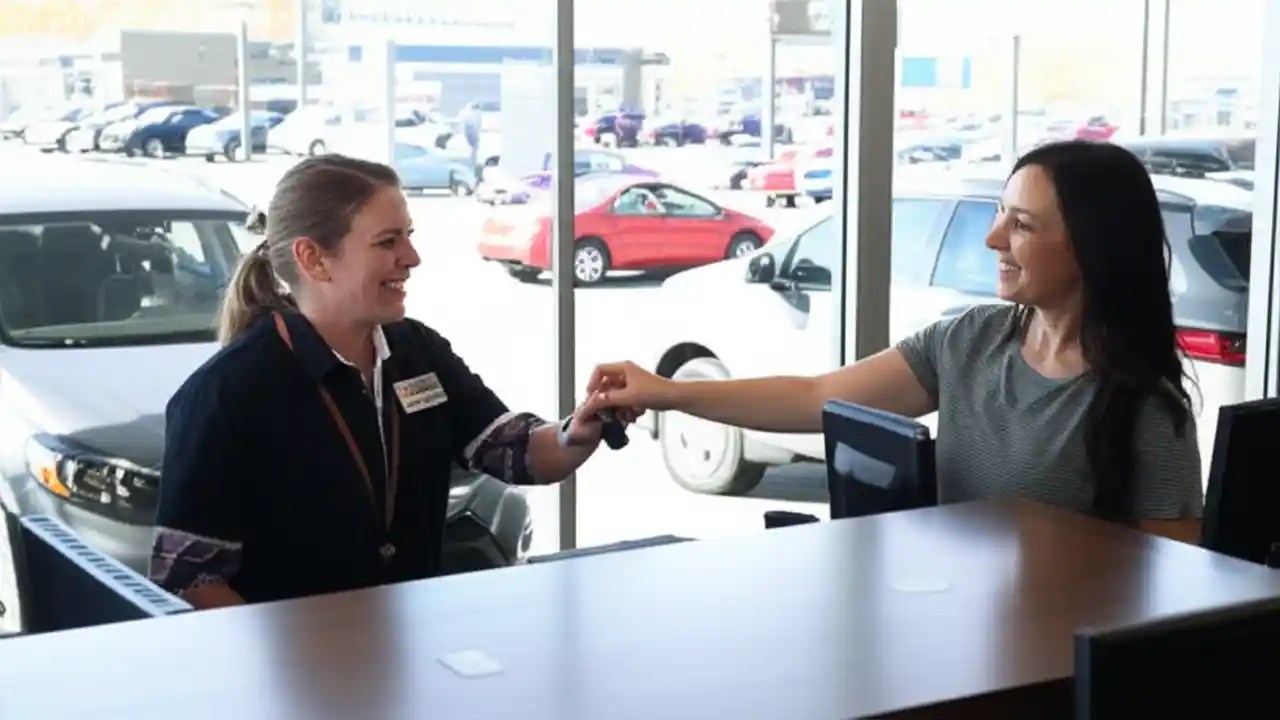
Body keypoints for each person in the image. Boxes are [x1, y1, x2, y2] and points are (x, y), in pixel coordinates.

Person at [589, 140, 1204, 543]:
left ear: (1091, 247)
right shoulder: (971, 339)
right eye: (999, 212)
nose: (992, 239)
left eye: (1020, 224)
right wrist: (666, 392)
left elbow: (1165, 599)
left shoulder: (1146, 407)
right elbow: (816, 396)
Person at [150, 154, 630, 609]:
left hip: (407, 650)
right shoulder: (225, 393)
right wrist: (289, 663)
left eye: (409, 236)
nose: (412, 257)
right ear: (314, 259)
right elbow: (188, 576)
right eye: (388, 242)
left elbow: (514, 450)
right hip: (298, 679)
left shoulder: (416, 351)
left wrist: (577, 430)